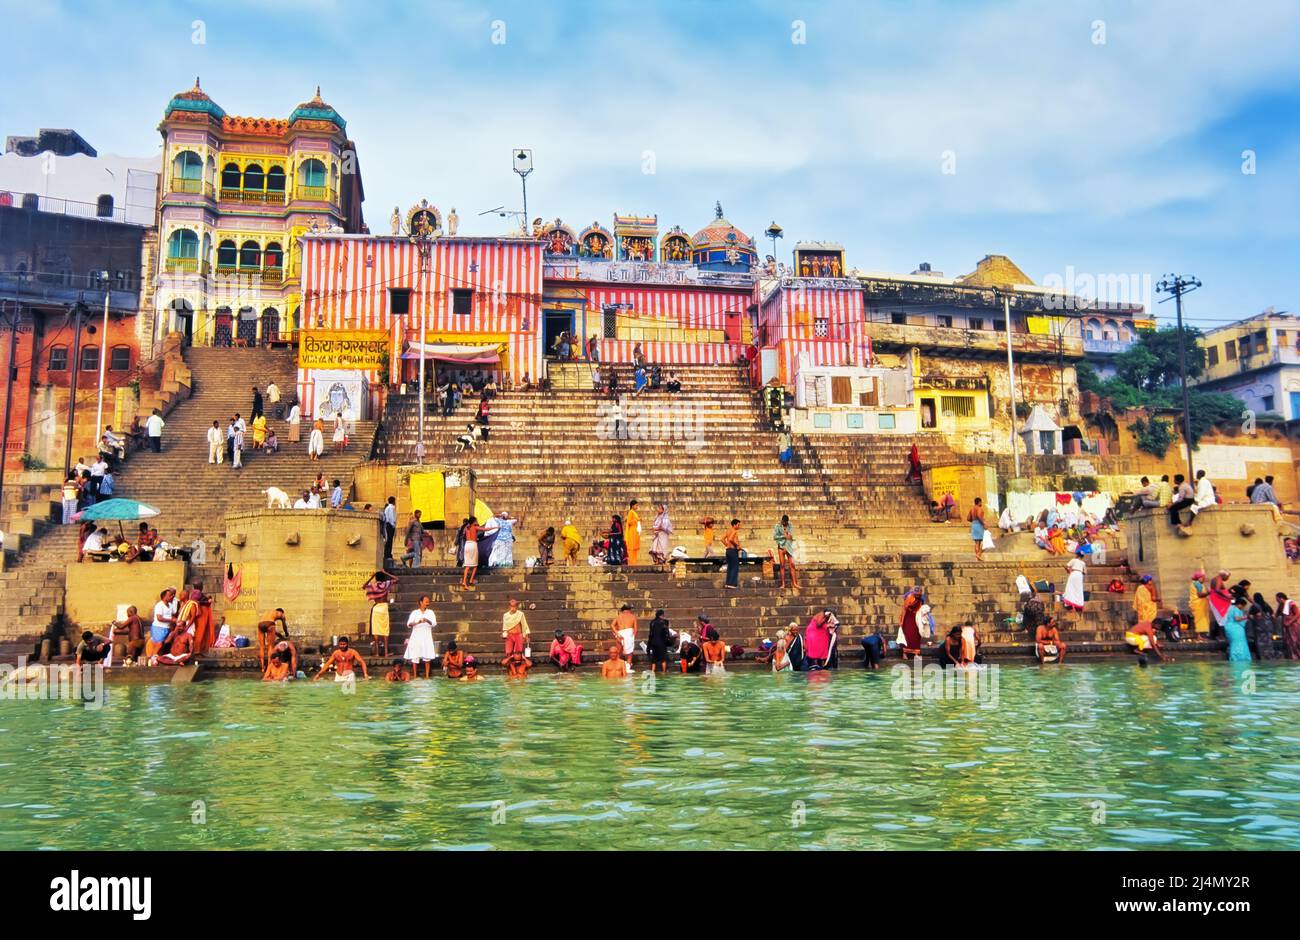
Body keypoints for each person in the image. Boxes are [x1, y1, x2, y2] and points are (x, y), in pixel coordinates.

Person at [363, 570, 396, 657]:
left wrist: (372, 576)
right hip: (384, 608)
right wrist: (385, 572)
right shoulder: (386, 584)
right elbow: (396, 579)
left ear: (376, 578)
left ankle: (377, 653)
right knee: (385, 630)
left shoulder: (373, 586)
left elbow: (364, 586)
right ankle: (385, 652)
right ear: (384, 578)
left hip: (376, 608)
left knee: (376, 630)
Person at [404, 595, 438, 678]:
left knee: (427, 657)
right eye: (426, 602)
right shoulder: (415, 612)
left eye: (428, 602)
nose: (428, 603)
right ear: (421, 602)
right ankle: (415, 676)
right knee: (415, 657)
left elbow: (434, 623)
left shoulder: (430, 612)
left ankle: (427, 676)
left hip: (426, 636)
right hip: (416, 637)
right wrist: (418, 622)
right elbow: (409, 624)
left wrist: (427, 620)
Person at [773, 514, 799, 591]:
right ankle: (783, 584)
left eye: (786, 523)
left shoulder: (790, 525)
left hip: (789, 546)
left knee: (792, 564)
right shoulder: (777, 526)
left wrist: (786, 547)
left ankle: (795, 583)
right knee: (782, 565)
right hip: (780, 546)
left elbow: (790, 537)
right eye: (784, 522)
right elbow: (775, 537)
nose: (785, 524)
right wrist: (783, 536)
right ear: (782, 521)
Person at [898, 589, 924, 659]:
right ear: (914, 593)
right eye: (917, 594)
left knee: (916, 635)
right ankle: (904, 653)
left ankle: (916, 654)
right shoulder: (910, 597)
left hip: (916, 618)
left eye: (919, 594)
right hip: (908, 618)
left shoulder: (921, 599)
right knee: (907, 635)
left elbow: (921, 609)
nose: (918, 595)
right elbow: (904, 609)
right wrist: (902, 621)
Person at [647, 609, 672, 673]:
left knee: (654, 659)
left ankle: (652, 672)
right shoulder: (665, 622)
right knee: (663, 659)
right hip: (662, 643)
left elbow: (650, 634)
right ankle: (663, 672)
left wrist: (648, 646)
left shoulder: (652, 622)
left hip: (653, 643)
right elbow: (666, 633)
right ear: (662, 615)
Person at [1276, 593, 1300, 660]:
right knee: (1288, 643)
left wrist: (1289, 622)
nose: (1277, 601)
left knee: (1296, 642)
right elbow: (1277, 614)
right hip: (1286, 628)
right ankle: (1292, 658)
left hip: (1294, 626)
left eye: (1277, 599)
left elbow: (1298, 614)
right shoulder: (1280, 605)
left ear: (1281, 598)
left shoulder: (1291, 603)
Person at [1189, 570, 1212, 636]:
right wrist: (1209, 592)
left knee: (1198, 619)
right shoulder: (1198, 584)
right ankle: (1198, 636)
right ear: (1199, 578)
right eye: (1203, 578)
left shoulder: (1194, 583)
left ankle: (1199, 635)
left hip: (1196, 604)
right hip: (1198, 604)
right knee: (1199, 619)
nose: (1204, 579)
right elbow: (1200, 595)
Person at [460, 515, 480, 588]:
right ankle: (471, 579)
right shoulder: (474, 527)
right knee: (475, 565)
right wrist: (495, 527)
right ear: (474, 521)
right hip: (473, 545)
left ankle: (464, 581)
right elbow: (485, 529)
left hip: (467, 545)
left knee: (467, 565)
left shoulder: (466, 528)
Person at [722, 517, 742, 589]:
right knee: (735, 567)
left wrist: (727, 545)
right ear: (734, 525)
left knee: (730, 567)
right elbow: (730, 539)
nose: (739, 526)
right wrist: (737, 545)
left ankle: (728, 584)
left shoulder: (728, 531)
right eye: (738, 525)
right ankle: (732, 584)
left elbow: (722, 539)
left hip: (728, 551)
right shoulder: (734, 531)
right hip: (733, 551)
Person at [967, 497, 987, 561]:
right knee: (984, 542)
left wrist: (973, 521)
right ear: (979, 502)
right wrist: (983, 523)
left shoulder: (972, 509)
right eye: (981, 502)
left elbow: (968, 518)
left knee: (977, 543)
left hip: (974, 524)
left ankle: (977, 558)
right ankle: (979, 554)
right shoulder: (979, 508)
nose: (981, 503)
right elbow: (978, 515)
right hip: (979, 524)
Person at [625, 499, 642, 565]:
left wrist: (638, 520)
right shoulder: (631, 512)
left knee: (635, 547)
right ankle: (632, 562)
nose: (637, 507)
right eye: (636, 505)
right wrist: (636, 520)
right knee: (632, 547)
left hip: (635, 531)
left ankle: (634, 562)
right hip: (632, 531)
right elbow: (629, 522)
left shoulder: (634, 512)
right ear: (632, 506)